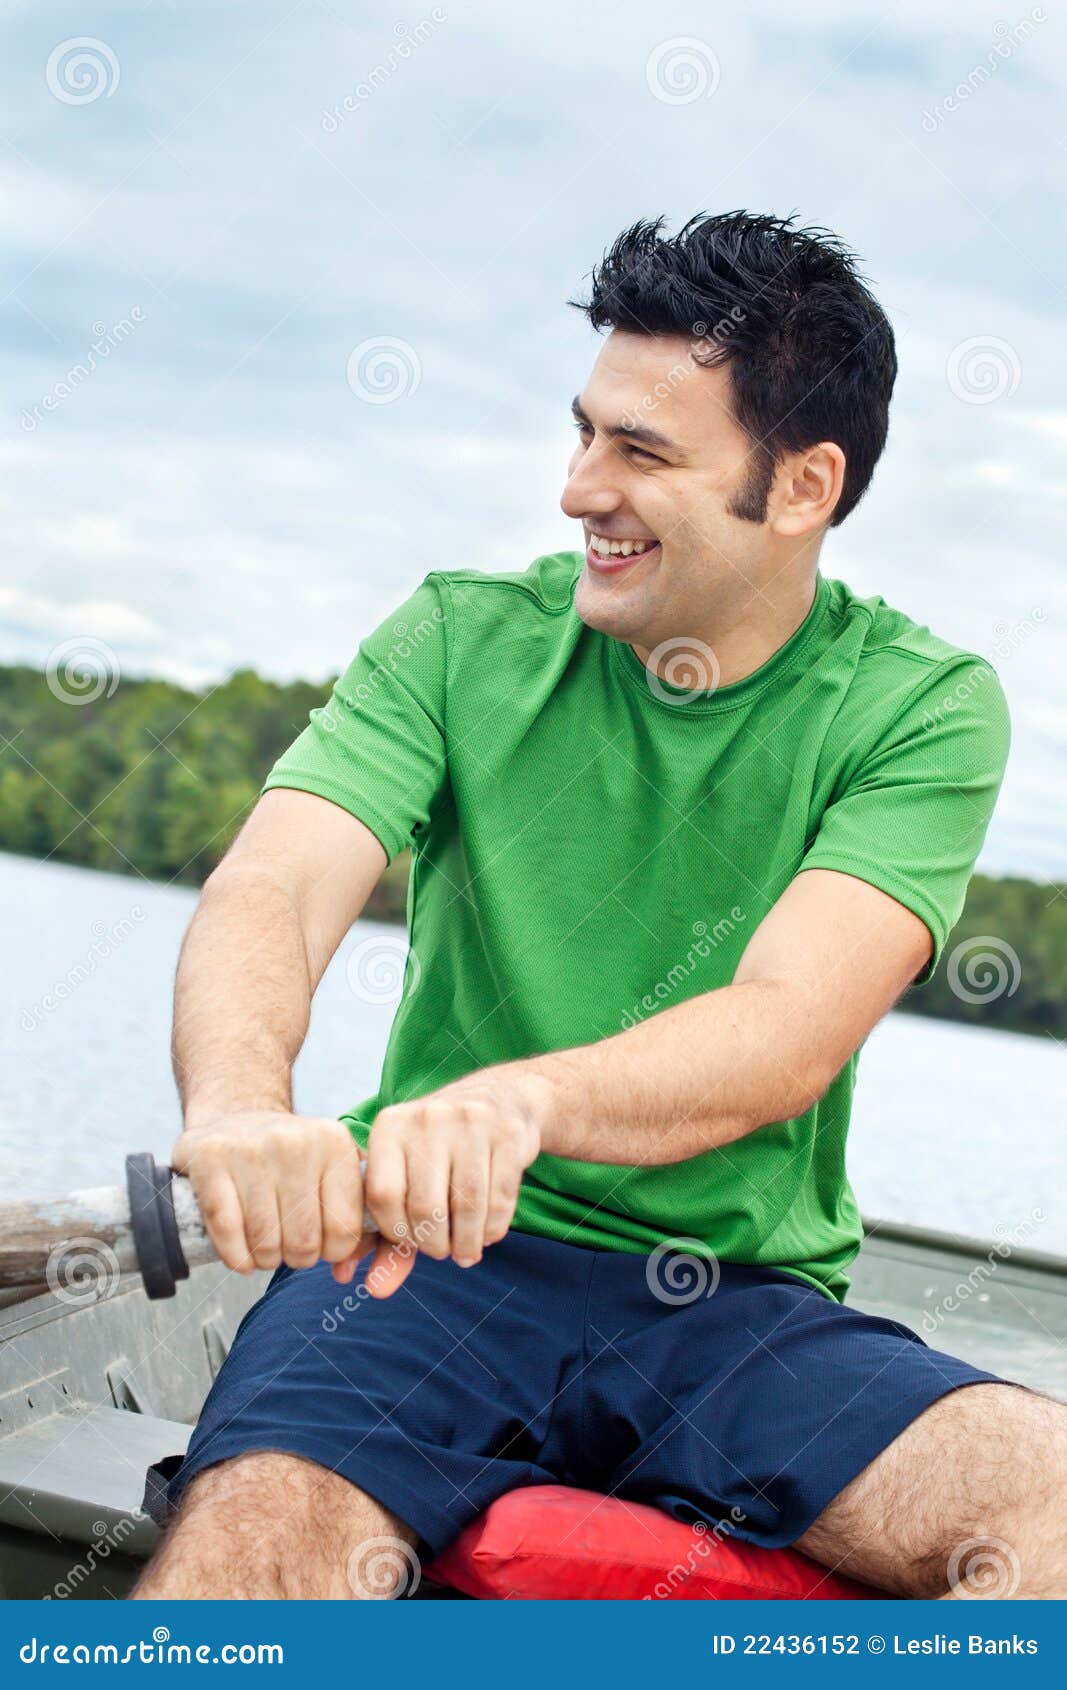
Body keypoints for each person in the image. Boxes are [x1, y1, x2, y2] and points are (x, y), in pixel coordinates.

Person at [133, 211, 1066, 1601]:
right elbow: (273, 882)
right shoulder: (458, 636)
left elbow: (785, 1025)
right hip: (417, 1271)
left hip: (735, 1310)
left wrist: (521, 1104)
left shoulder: (919, 704)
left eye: (640, 452)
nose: (579, 489)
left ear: (802, 485)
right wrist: (240, 1108)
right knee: (253, 1540)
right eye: (583, 435)